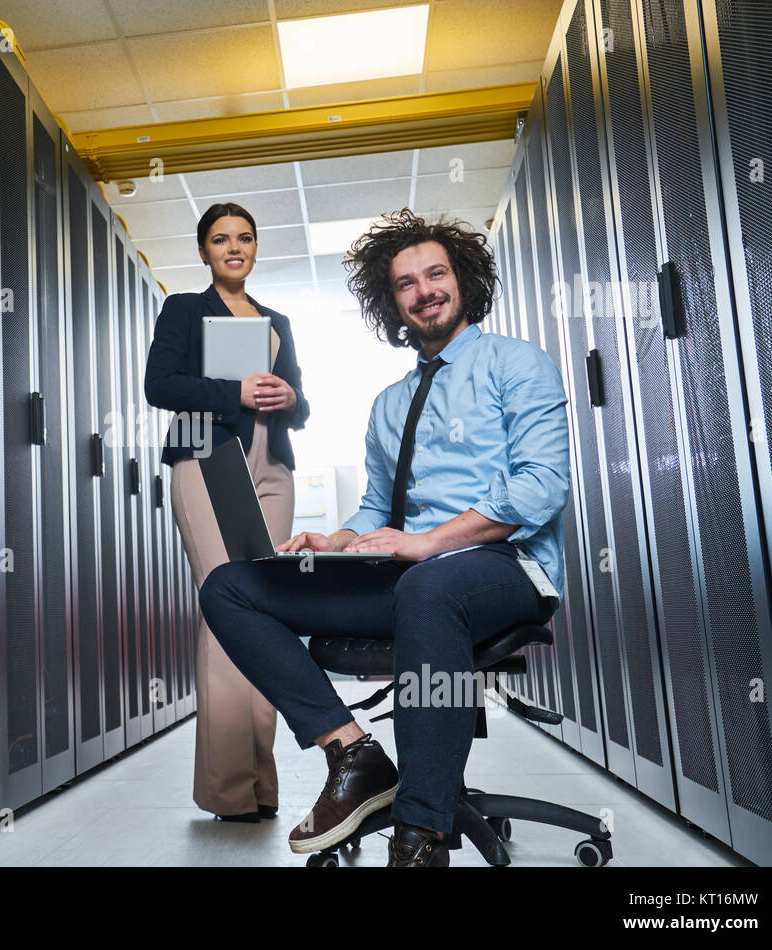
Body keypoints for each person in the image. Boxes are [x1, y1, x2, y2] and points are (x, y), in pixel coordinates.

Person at [198, 208, 570, 865]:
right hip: (411, 577)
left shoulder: (517, 364)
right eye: (406, 283)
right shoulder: (390, 403)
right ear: (391, 302)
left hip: (505, 565)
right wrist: (335, 541)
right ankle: (353, 753)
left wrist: (428, 542)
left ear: (463, 281)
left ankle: (419, 834)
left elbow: (540, 488)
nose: (425, 289)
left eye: (436, 274)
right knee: (233, 585)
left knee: (428, 585)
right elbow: (377, 506)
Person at [144, 202, 311, 822]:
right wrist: (233, 390)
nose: (234, 247)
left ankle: (263, 787)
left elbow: (300, 404)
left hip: (274, 470)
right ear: (205, 250)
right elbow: (159, 384)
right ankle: (229, 790)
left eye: (244, 237)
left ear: (256, 247)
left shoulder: (277, 320)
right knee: (225, 614)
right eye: (220, 239)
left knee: (265, 615)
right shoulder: (186, 309)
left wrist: (292, 397)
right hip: (211, 461)